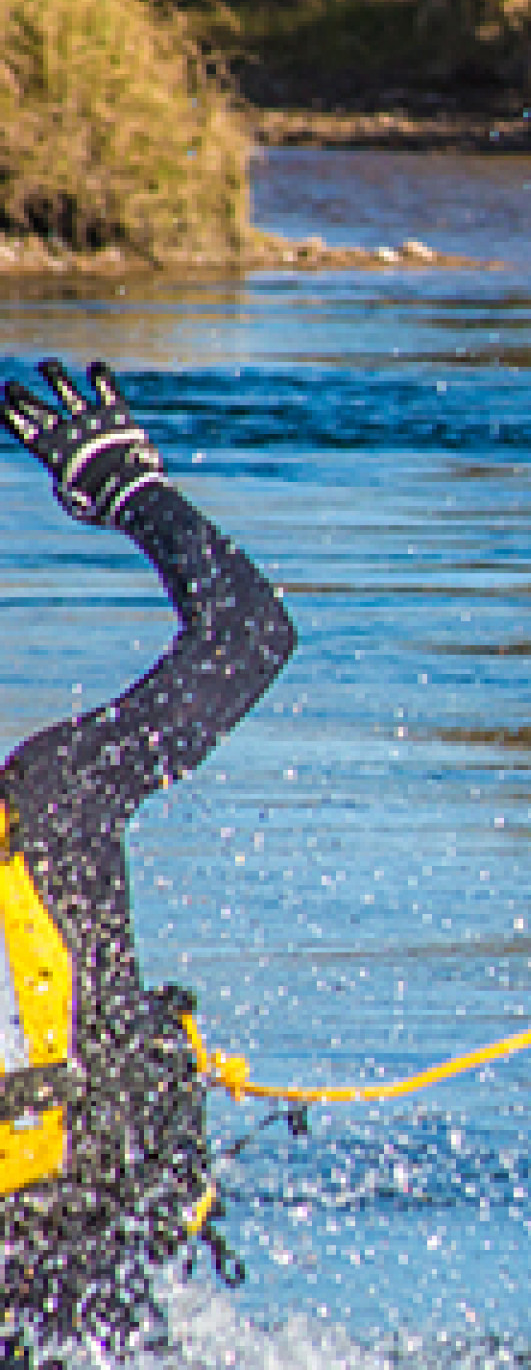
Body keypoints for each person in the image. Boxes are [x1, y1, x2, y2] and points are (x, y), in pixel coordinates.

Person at [0, 361, 296, 1360]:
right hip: (103, 1285)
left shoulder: (50, 807)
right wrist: (136, 496)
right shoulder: (53, 803)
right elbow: (247, 636)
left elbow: (252, 639)